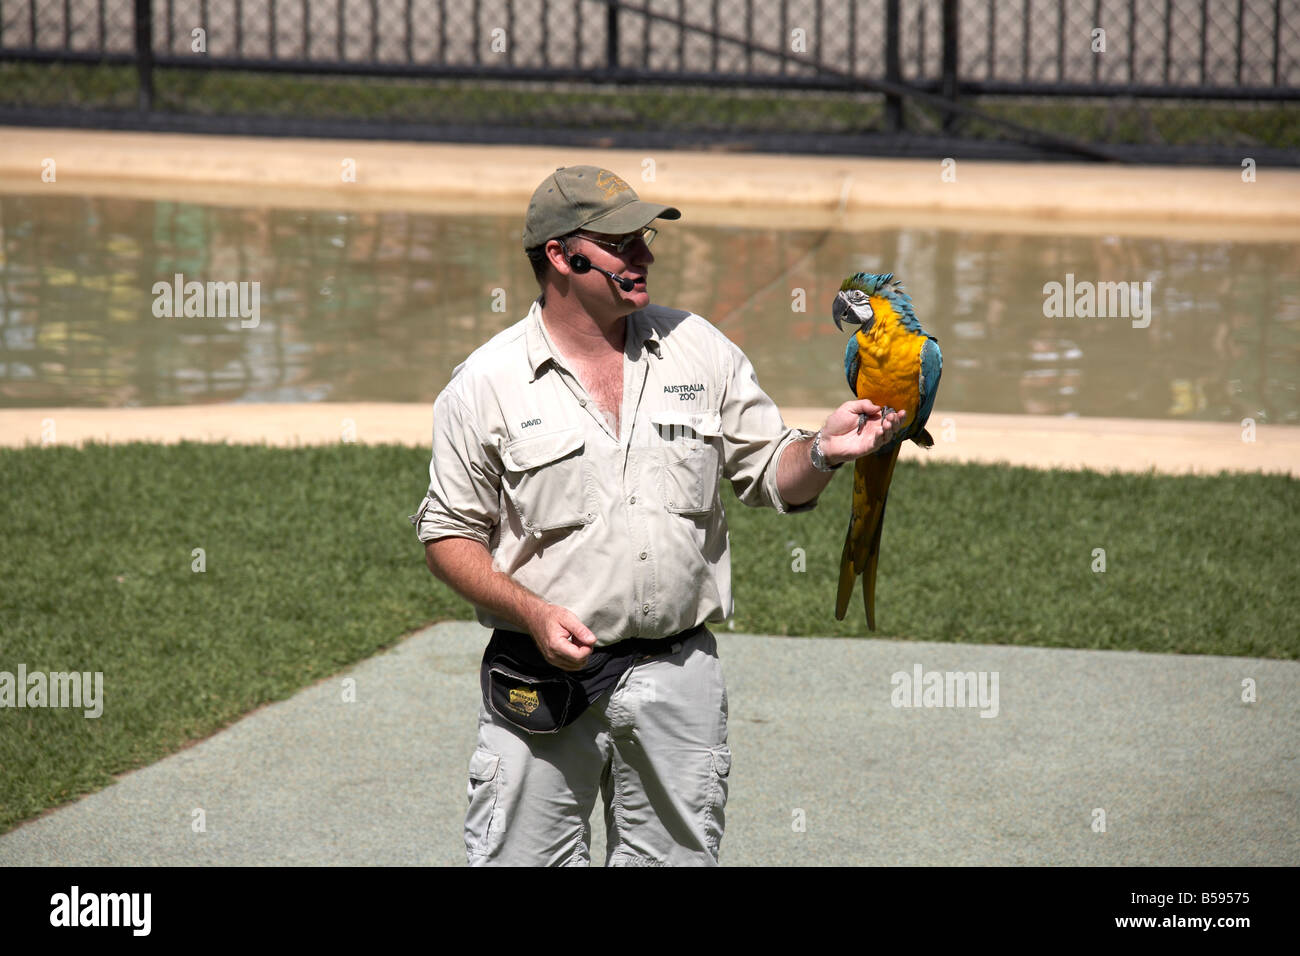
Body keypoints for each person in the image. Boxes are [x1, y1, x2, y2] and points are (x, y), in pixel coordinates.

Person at [411, 165, 904, 866]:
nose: (644, 256)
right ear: (562, 256)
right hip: (544, 680)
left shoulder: (698, 348)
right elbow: (448, 536)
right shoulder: (484, 386)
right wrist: (532, 612)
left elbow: (771, 477)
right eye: (621, 244)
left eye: (644, 239)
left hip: (677, 677)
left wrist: (823, 450)